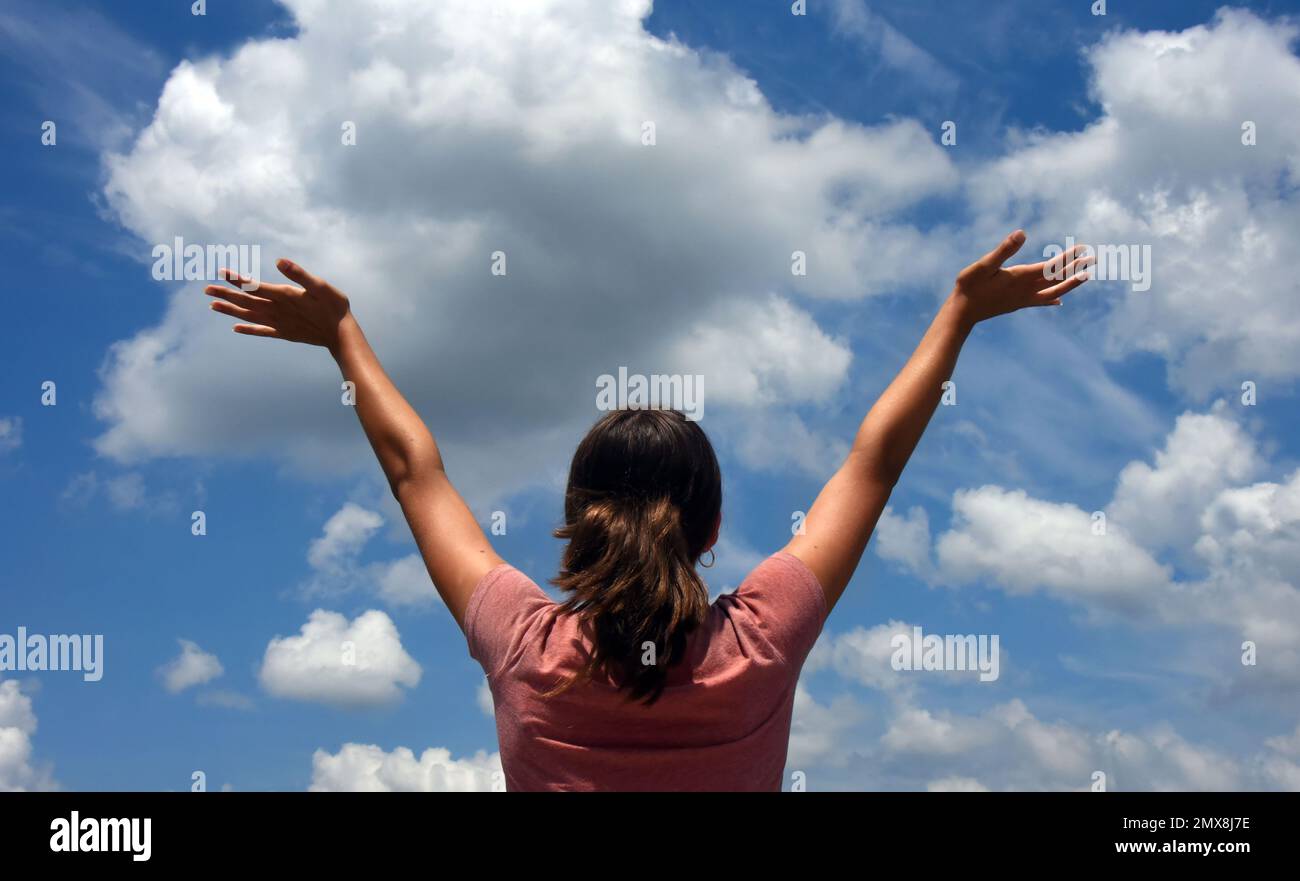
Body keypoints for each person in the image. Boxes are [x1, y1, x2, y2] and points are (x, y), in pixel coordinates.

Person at [205, 230, 1091, 791]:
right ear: (708, 529)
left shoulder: (524, 643)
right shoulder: (760, 639)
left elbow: (413, 472)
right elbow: (876, 461)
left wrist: (342, 336)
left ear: (575, 517)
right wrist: (961, 315)